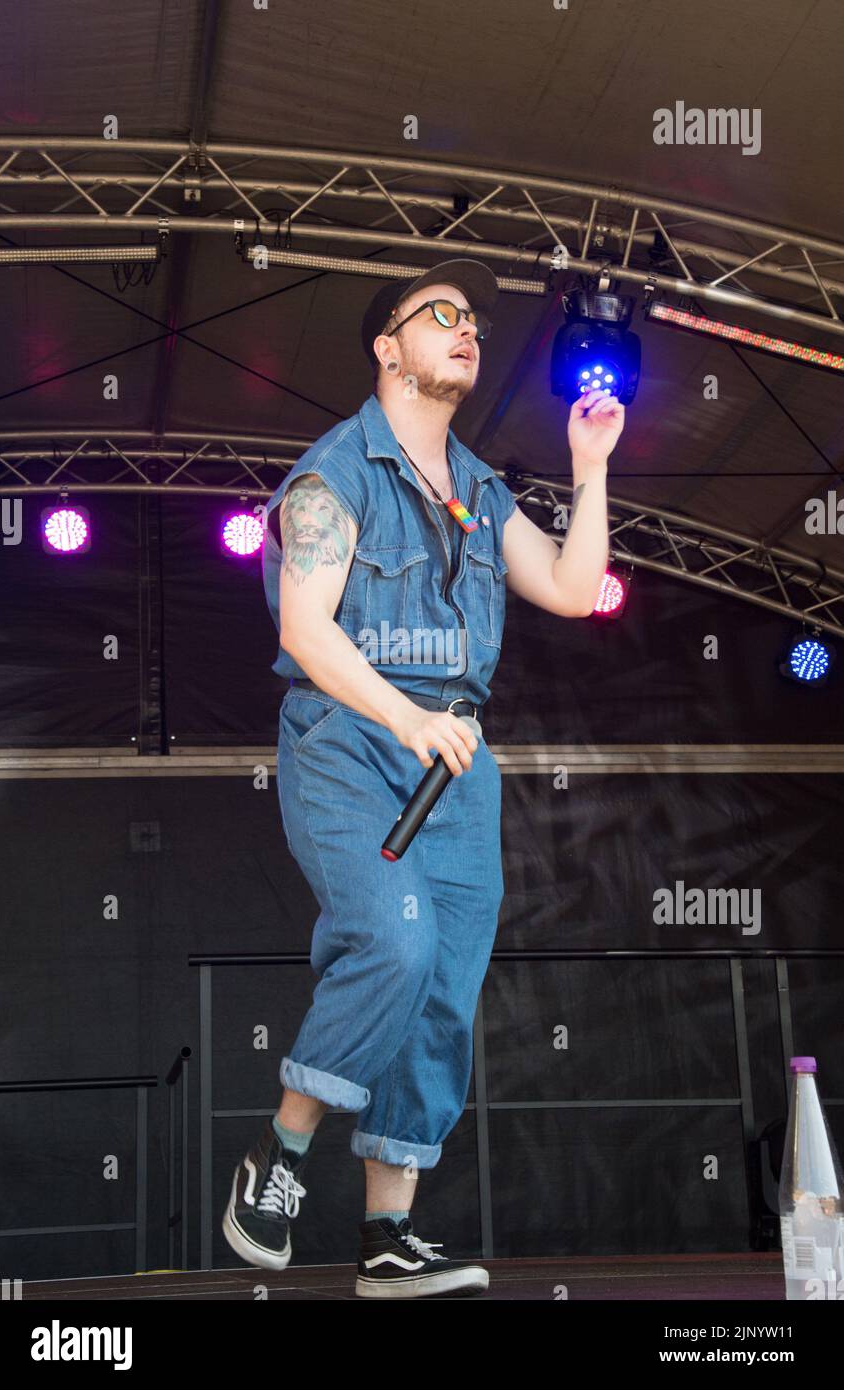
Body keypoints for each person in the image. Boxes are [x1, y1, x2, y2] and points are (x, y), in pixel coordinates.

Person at [222, 258, 624, 1298]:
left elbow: (575, 590)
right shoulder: (333, 475)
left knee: (442, 984)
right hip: (353, 734)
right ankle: (281, 1148)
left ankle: (386, 1239)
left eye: (475, 322)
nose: (466, 330)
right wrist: (405, 716)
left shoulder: (479, 492)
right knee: (391, 940)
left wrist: (588, 468)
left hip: (455, 761)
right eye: (438, 314)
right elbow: (304, 627)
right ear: (385, 347)